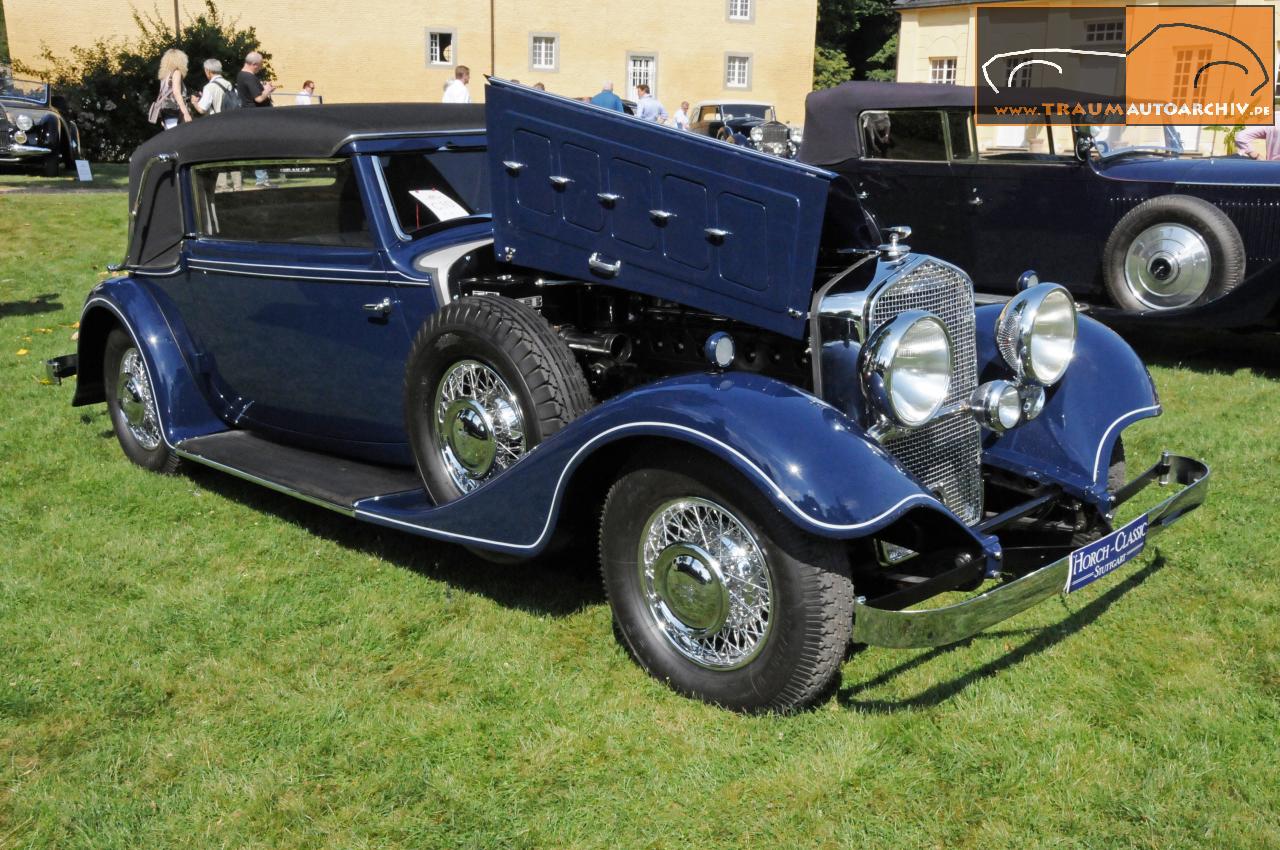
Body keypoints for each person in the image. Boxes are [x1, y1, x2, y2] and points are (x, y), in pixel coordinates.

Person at [236, 50, 276, 187]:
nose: (261, 67)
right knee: (260, 148)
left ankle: (262, 178)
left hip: (251, 116)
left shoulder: (242, 76)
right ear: (254, 64)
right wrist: (268, 90)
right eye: (260, 65)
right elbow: (258, 98)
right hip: (256, 117)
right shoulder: (249, 77)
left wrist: (264, 89)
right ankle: (262, 180)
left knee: (260, 147)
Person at [148, 48, 193, 129]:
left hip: (165, 111)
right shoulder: (176, 72)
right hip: (175, 111)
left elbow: (162, 94)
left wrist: (161, 116)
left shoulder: (164, 74)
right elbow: (176, 93)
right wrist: (185, 113)